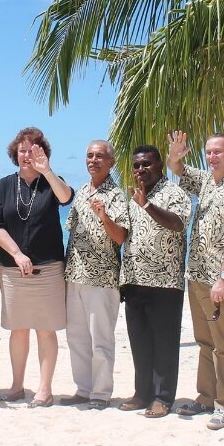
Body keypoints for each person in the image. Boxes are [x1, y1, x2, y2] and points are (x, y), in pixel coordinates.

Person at [166, 131, 224, 430]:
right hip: (197, 274)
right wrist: (175, 156)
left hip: (219, 280)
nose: (212, 157)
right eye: (208, 152)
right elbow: (177, 169)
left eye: (218, 151)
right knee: (205, 341)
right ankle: (205, 397)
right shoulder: (206, 181)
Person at [0, 126, 73, 407]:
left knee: (45, 330)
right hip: (14, 271)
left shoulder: (51, 181)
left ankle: (44, 389)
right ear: (15, 153)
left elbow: (65, 198)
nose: (27, 155)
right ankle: (16, 386)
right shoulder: (4, 185)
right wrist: (16, 254)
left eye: (33, 150)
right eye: (22, 150)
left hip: (47, 269)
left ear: (43, 153)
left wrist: (46, 170)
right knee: (19, 329)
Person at [117, 145, 191, 419]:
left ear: (160, 166)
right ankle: (142, 393)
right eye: (136, 165)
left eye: (146, 164)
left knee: (165, 343)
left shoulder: (176, 194)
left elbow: (177, 224)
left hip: (165, 283)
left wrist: (147, 205)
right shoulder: (133, 195)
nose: (140, 170)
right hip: (134, 280)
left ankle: (162, 397)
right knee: (140, 342)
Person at [59, 140, 129, 410]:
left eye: (100, 156)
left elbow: (121, 237)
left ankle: (100, 393)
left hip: (103, 279)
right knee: (76, 337)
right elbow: (71, 232)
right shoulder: (82, 192)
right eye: (89, 155)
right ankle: (83, 388)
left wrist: (104, 217)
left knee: (101, 339)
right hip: (75, 274)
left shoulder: (117, 196)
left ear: (111, 162)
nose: (93, 160)